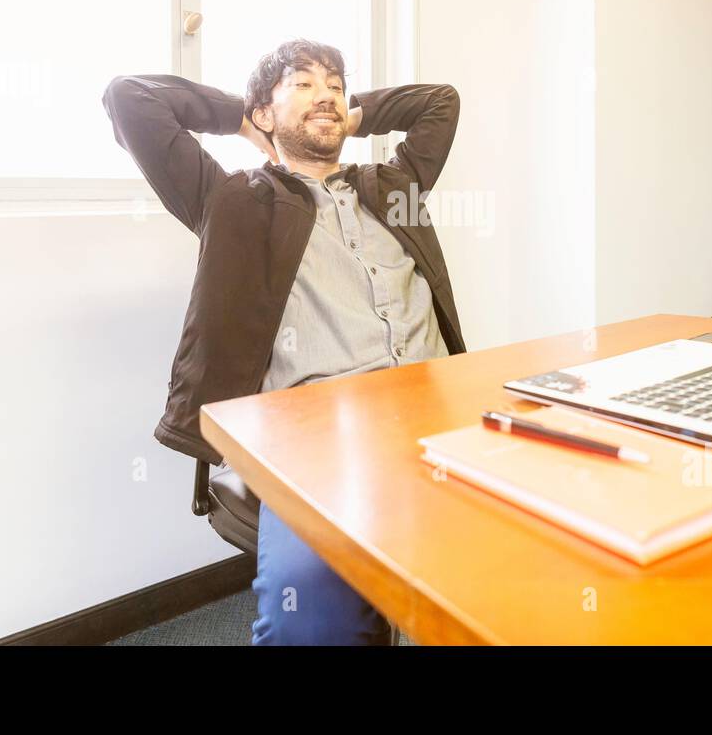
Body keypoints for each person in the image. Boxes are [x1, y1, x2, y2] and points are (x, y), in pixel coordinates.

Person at [102, 39, 465, 644]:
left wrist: (355, 115)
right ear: (265, 112)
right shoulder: (234, 201)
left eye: (336, 85)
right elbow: (131, 99)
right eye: (303, 83)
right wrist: (238, 119)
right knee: (309, 620)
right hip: (318, 441)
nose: (325, 93)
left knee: (538, 568)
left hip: (437, 417)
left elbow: (440, 104)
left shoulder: (394, 187)